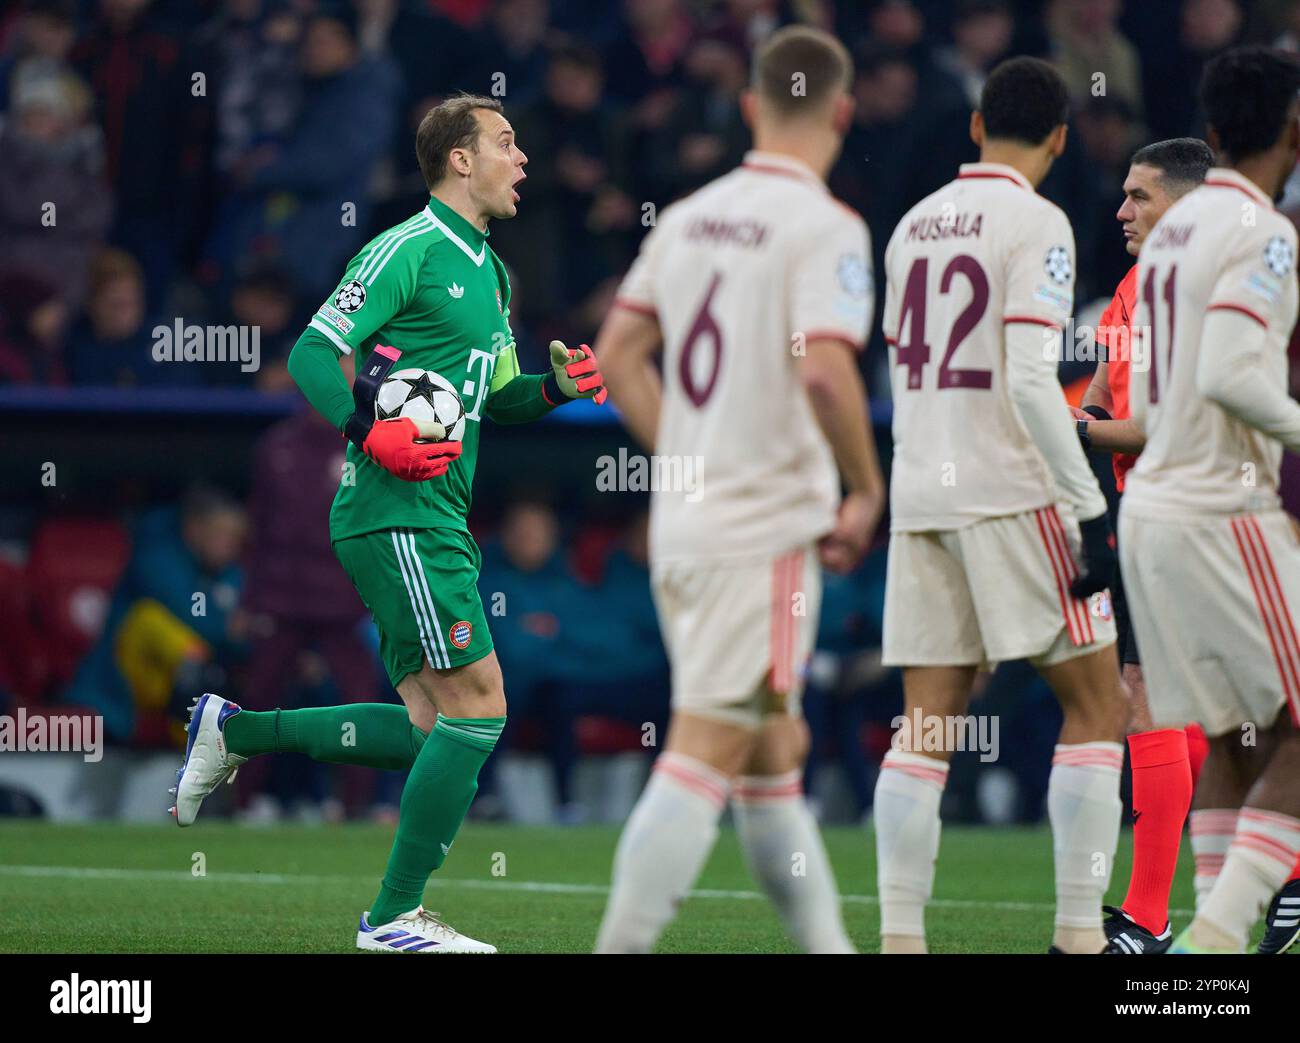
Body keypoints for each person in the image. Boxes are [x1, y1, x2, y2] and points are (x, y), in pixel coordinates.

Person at [170, 93, 608, 954]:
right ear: (459, 159)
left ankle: (233, 729)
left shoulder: (492, 272)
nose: (523, 161)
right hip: (395, 510)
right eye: (507, 144)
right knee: (481, 707)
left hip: (435, 513)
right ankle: (393, 917)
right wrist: (372, 430)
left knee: (428, 728)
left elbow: (497, 402)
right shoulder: (405, 247)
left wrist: (556, 388)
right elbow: (307, 352)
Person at [593, 25, 885, 954]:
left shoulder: (685, 217)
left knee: (773, 755)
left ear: (753, 107)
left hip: (684, 524)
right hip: (759, 533)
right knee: (706, 749)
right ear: (842, 111)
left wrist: (684, 451)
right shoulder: (826, 226)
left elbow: (616, 356)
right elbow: (829, 373)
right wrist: (865, 488)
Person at [877, 56, 1128, 955]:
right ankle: (1076, 938)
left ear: (977, 128)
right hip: (1013, 490)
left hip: (922, 492)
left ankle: (901, 938)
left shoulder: (910, 227)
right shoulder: (1041, 222)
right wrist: (1087, 505)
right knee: (1099, 708)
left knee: (927, 723)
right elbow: (1027, 376)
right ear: (1060, 139)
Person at [1120, 45, 1300, 954]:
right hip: (1221, 510)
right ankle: (1210, 944)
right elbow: (1233, 372)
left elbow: (1149, 403)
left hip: (1150, 510)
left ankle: (1204, 977)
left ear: (1217, 130)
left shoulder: (1174, 235)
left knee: (1233, 740)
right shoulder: (1265, 231)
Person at [1068, 137, 1217, 954]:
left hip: (1193, 510)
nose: (1123, 211)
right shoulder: (1131, 287)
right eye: (1124, 194)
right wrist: (1078, 423)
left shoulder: (1185, 291)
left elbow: (1158, 424)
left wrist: (1071, 429)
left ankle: (1149, 917)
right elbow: (1100, 398)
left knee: (1149, 697)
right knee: (1176, 702)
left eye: (1142, 197)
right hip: (1140, 511)